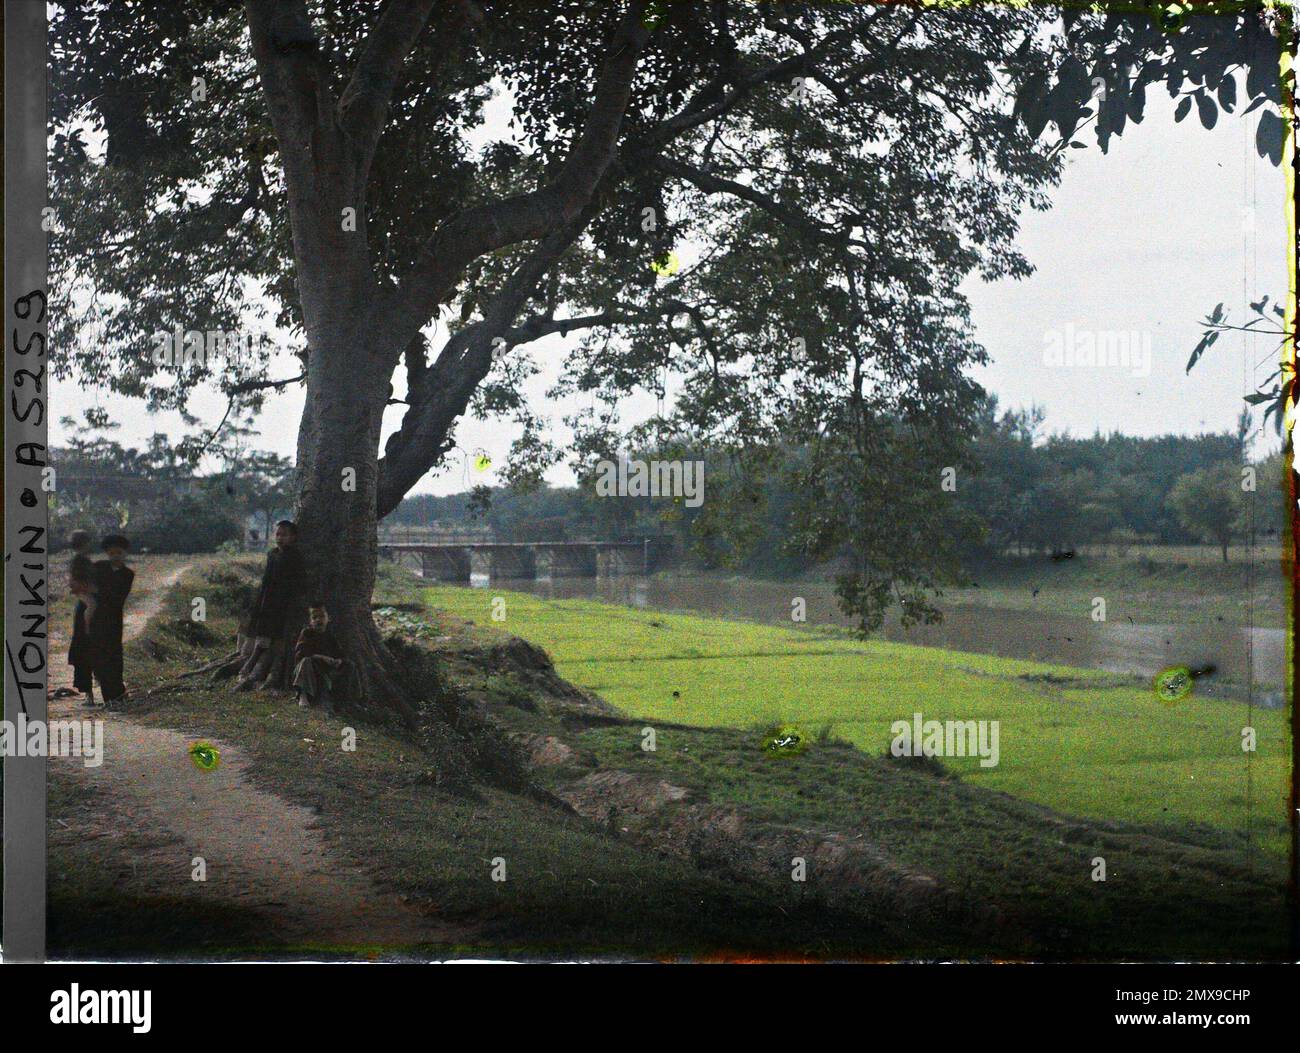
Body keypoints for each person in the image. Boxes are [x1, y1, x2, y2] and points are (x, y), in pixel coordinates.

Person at [237, 519, 307, 689]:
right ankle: (249, 666)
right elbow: (266, 580)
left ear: (293, 537)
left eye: (284, 535)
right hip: (267, 600)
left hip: (282, 604)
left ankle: (260, 670)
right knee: (261, 634)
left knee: (274, 637)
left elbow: (297, 583)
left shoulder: (294, 557)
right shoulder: (272, 554)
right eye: (278, 534)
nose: (280, 538)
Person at [88, 534, 135, 705]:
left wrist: (101, 593)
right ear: (108, 553)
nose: (115, 556)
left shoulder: (128, 574)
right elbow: (90, 588)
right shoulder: (98, 567)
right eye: (112, 552)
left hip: (114, 618)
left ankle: (117, 692)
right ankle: (107, 693)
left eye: (119, 552)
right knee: (99, 654)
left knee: (114, 653)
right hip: (96, 617)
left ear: (124, 554)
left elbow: (118, 597)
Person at [65, 530, 99, 705]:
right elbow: (76, 585)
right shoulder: (80, 563)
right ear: (83, 544)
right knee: (86, 649)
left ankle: (91, 695)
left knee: (89, 650)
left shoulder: (83, 562)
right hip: (87, 604)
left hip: (89, 605)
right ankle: (90, 695)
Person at [292, 601, 345, 709]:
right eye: (314, 617)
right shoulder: (307, 633)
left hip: (322, 670)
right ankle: (303, 695)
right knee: (306, 661)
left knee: (348, 665)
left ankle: (345, 698)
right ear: (310, 621)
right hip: (305, 670)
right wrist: (320, 656)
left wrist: (338, 660)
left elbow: (339, 652)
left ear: (328, 618)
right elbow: (300, 653)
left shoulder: (330, 636)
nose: (318, 620)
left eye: (321, 616)